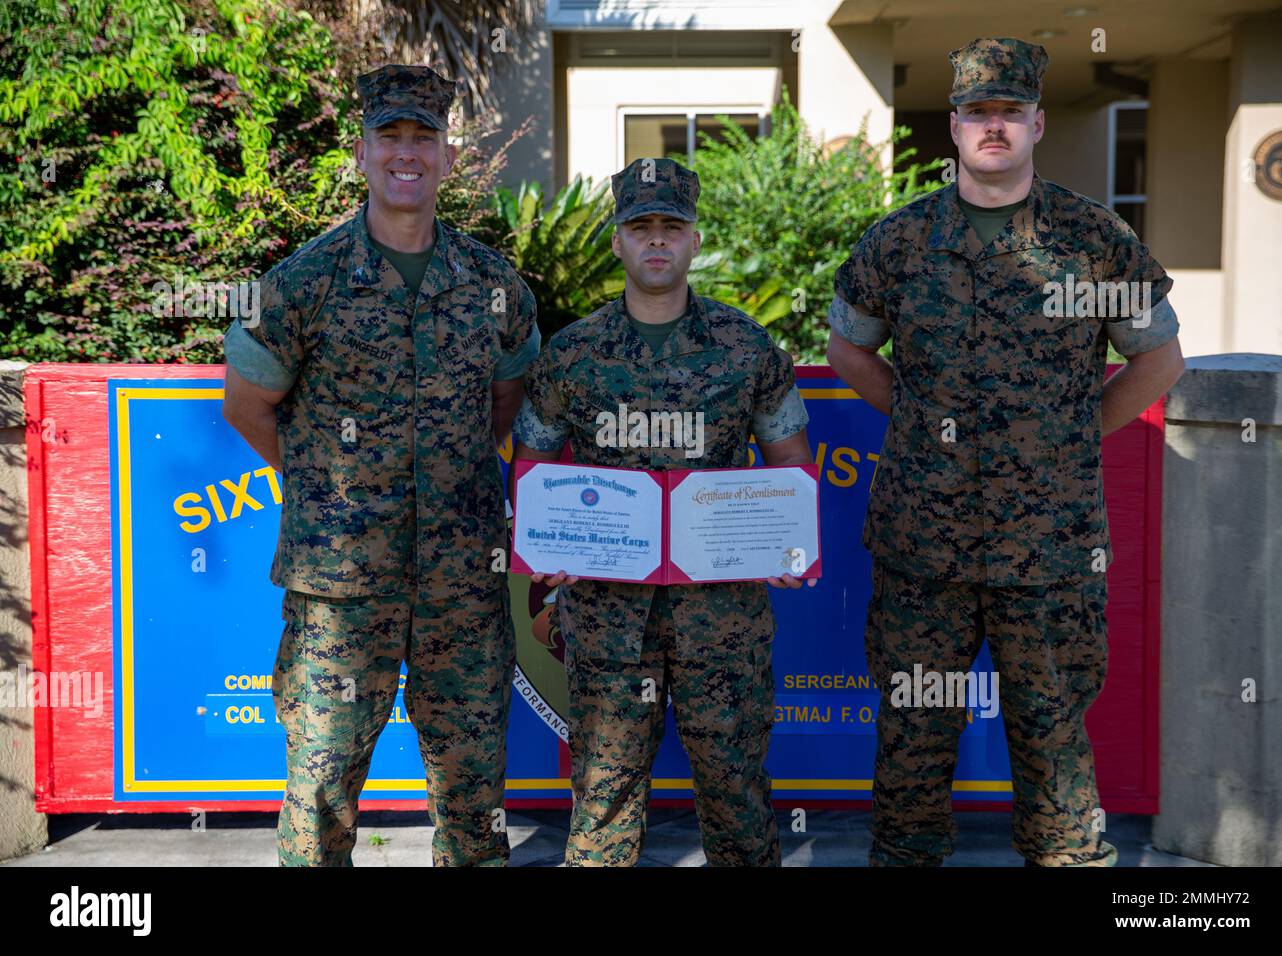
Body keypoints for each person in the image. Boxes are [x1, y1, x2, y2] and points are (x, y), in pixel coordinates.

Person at [827, 37, 1185, 867]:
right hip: (925, 545)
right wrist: (921, 420)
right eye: (978, 112)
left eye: (1010, 112)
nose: (994, 127)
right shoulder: (899, 241)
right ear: (953, 127)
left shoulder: (1094, 241)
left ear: (1037, 123)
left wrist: (1066, 434)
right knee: (914, 740)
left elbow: (1158, 359)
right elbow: (850, 352)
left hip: (1050, 547)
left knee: (1054, 740)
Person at [220, 64, 539, 866]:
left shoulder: (494, 286)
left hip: (460, 584)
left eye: (423, 139)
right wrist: (326, 487)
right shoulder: (301, 283)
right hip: (339, 592)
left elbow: (509, 402)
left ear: (447, 157)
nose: (407, 155)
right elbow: (247, 404)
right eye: (389, 139)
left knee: (473, 797)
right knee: (320, 794)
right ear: (361, 154)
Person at [512, 157, 814, 866]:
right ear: (617, 241)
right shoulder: (573, 354)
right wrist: (543, 543)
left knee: (737, 792)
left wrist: (789, 546)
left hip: (724, 616)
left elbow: (791, 464)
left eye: (670, 227)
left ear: (694, 240)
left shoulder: (746, 348)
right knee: (603, 798)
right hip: (609, 616)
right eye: (639, 226)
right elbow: (532, 467)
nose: (656, 241)